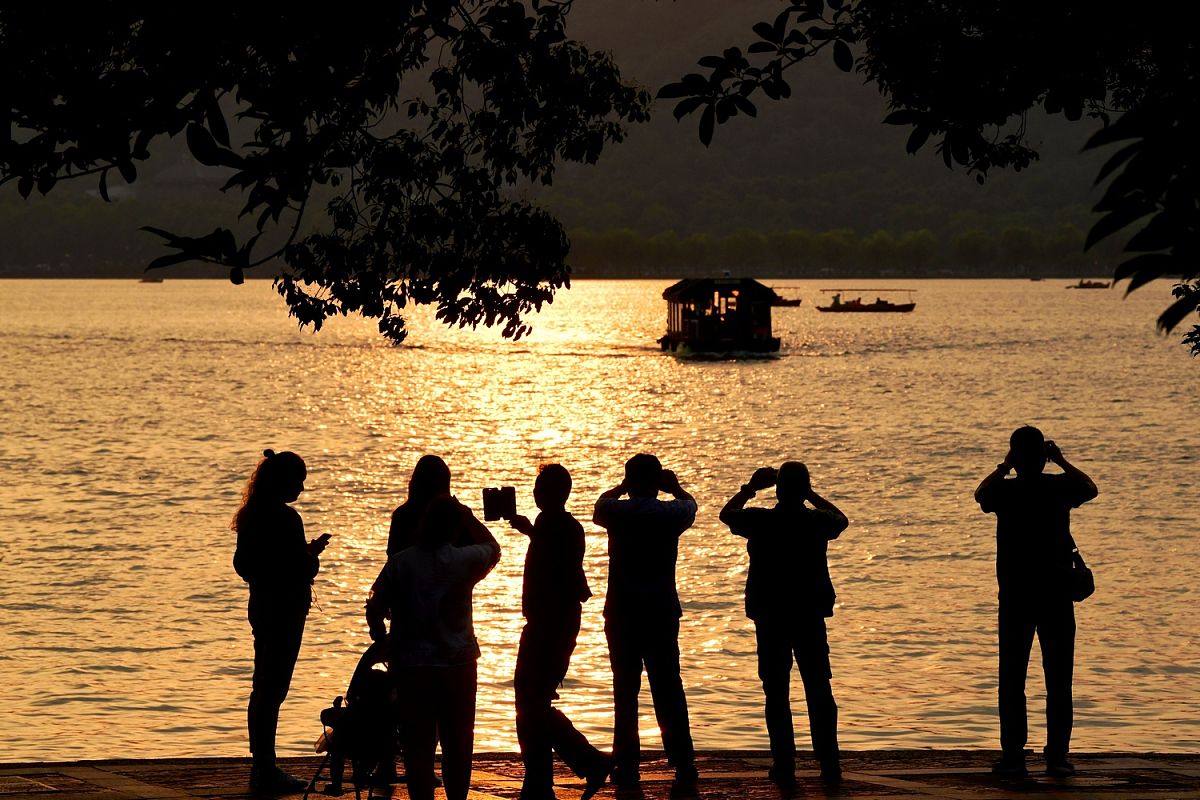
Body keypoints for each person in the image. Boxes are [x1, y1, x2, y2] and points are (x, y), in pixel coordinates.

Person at [975, 426, 1098, 779]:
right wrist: (1060, 460)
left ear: (1015, 456)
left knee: (1011, 679)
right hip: (1056, 595)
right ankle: (1057, 755)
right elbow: (1090, 488)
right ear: (1044, 457)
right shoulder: (1058, 487)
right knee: (1059, 679)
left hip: (1015, 596)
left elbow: (981, 493)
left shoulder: (1007, 490)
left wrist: (1004, 467)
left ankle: (1013, 753)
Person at [719, 462, 848, 787]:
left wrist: (749, 488)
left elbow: (727, 513)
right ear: (804, 489)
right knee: (818, 687)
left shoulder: (761, 520)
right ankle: (829, 761)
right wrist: (812, 495)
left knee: (776, 691)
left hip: (771, 614)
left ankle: (784, 761)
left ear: (777, 490)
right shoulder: (817, 521)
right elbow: (841, 519)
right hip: (808, 614)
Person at [366, 494, 501, 800]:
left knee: (418, 746)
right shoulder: (463, 560)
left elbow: (376, 605)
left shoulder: (401, 562)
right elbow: (493, 548)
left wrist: (380, 634)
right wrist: (469, 515)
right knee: (458, 743)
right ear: (453, 528)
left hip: (412, 665)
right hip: (458, 663)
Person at [508, 464, 613, 800]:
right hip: (548, 622)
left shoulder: (562, 526)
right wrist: (530, 532)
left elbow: (560, 563)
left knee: (531, 702)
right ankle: (545, 778)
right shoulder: (551, 525)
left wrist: (531, 533)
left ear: (553, 493)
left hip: (551, 625)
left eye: (540, 487)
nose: (535, 493)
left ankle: (578, 765)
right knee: (532, 702)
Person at [592, 454, 698, 788]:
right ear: (657, 482)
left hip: (622, 610)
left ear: (629, 481)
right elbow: (691, 505)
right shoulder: (670, 514)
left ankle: (627, 765)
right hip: (661, 610)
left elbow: (600, 504)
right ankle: (683, 764)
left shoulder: (616, 512)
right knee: (669, 689)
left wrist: (622, 487)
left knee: (625, 691)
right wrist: (676, 487)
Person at [233, 449, 330, 793]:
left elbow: (244, 565)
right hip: (285, 611)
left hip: (260, 605)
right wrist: (310, 558)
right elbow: (299, 569)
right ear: (284, 481)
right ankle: (266, 769)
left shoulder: (251, 516)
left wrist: (296, 556)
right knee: (274, 689)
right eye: (299, 480)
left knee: (263, 688)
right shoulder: (288, 519)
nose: (302, 488)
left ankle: (262, 763)